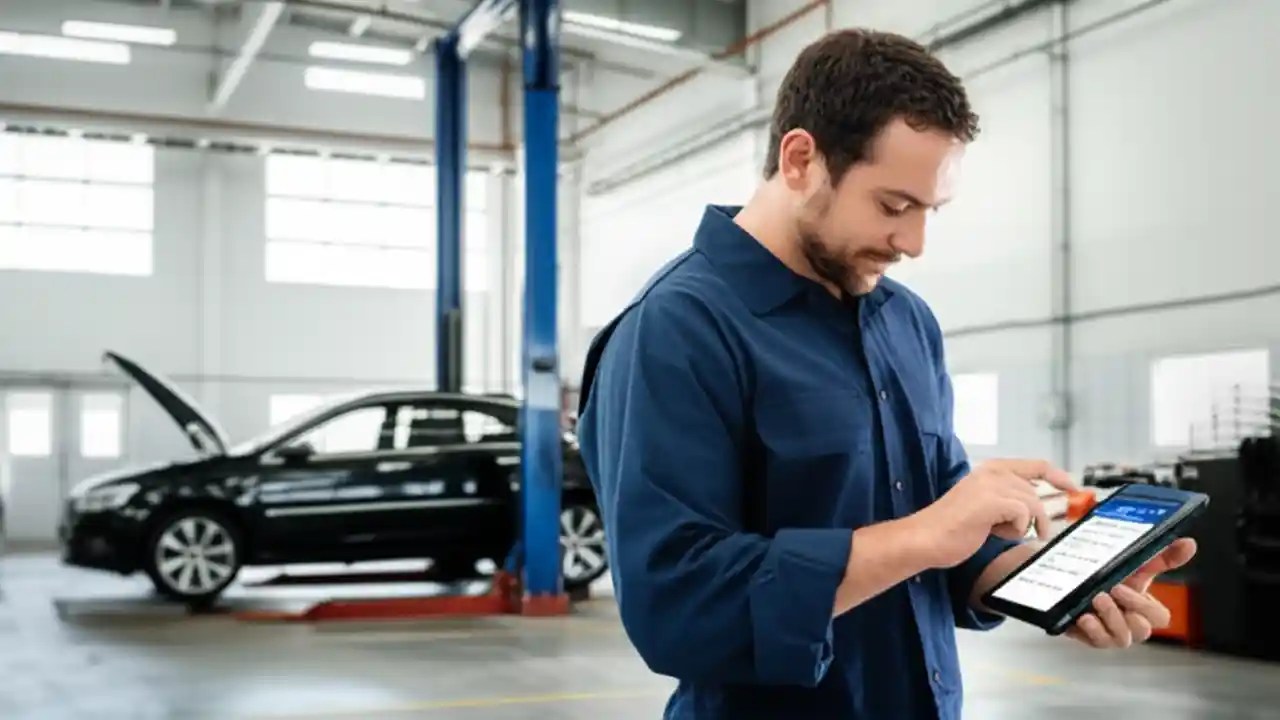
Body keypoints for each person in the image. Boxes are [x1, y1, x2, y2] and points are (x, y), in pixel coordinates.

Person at [574, 28, 1198, 720]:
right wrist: (926, 533)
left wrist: (1045, 583)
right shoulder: (675, 331)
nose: (914, 243)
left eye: (931, 212)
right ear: (801, 159)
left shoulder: (905, 322)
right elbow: (678, 606)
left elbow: (940, 533)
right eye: (894, 206)